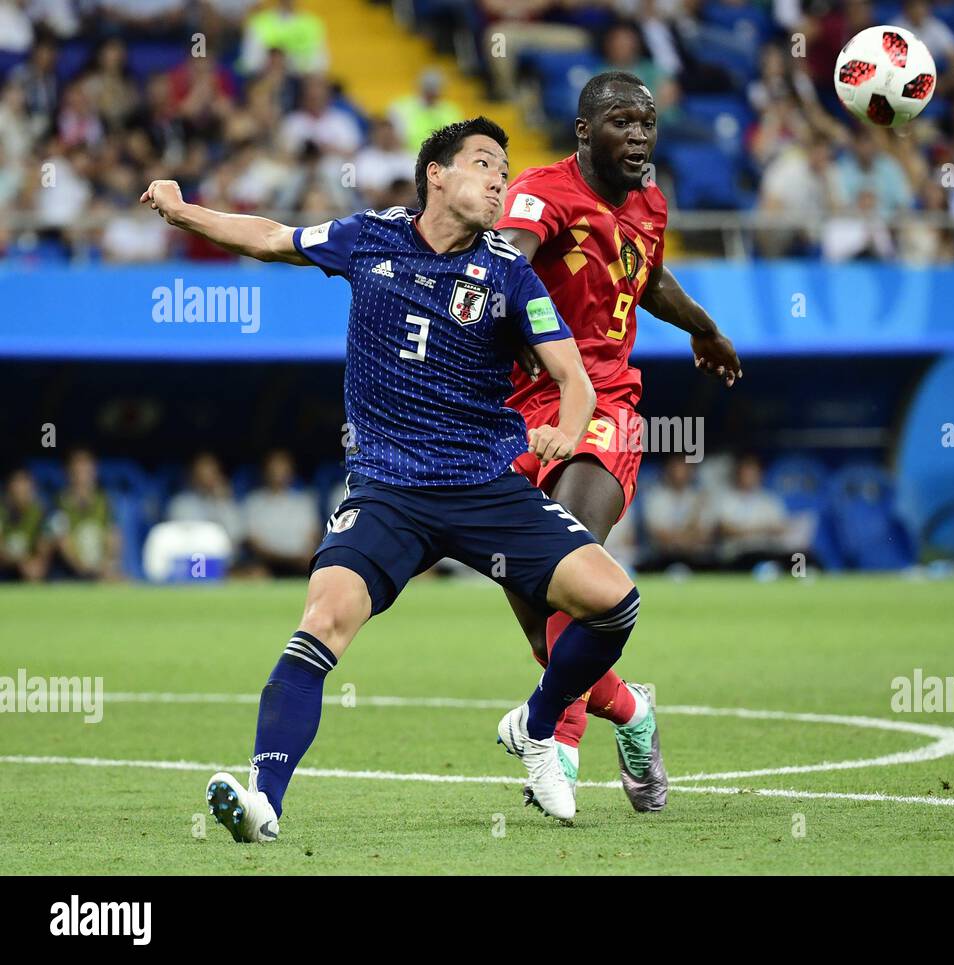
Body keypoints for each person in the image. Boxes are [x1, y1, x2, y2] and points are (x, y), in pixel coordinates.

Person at [141, 115, 636, 836]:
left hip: (482, 485)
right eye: (483, 163)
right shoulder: (367, 237)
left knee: (615, 603)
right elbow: (271, 238)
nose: (500, 178)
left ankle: (535, 723)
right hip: (388, 491)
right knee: (321, 622)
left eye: (505, 168)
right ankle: (263, 803)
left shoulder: (508, 270)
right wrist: (184, 211)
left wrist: (567, 423)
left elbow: (575, 378)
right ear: (436, 174)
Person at [493, 70, 741, 810]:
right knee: (542, 617)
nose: (638, 137)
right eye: (622, 122)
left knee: (568, 548)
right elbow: (508, 254)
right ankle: (634, 712)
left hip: (604, 400)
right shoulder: (542, 192)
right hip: (519, 412)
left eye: (648, 124)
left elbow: (651, 279)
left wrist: (706, 328)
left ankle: (558, 747)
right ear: (582, 131)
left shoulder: (650, 203)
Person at [242, 449, 320, 577]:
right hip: (267, 563)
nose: (278, 473)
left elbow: (312, 536)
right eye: (274, 468)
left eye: (283, 468)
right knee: (255, 574)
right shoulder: (254, 502)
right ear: (265, 471)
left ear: (291, 471)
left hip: (300, 562)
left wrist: (300, 557)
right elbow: (254, 542)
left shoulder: (304, 501)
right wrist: (282, 558)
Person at [47, 448, 121, 581]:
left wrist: (106, 564)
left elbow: (113, 537)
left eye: (86, 470)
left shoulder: (105, 502)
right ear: (68, 473)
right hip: (69, 575)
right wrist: (85, 571)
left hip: (101, 571)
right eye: (77, 471)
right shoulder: (58, 505)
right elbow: (63, 543)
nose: (82, 476)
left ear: (94, 472)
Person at [0, 468, 51, 582]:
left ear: (32, 487)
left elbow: (44, 547)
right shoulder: (2, 511)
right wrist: (20, 561)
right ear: (9, 488)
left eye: (25, 484)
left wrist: (37, 563)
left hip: (31, 569)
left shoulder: (42, 511)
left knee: (36, 571)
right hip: (5, 569)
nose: (20, 489)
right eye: (17, 484)